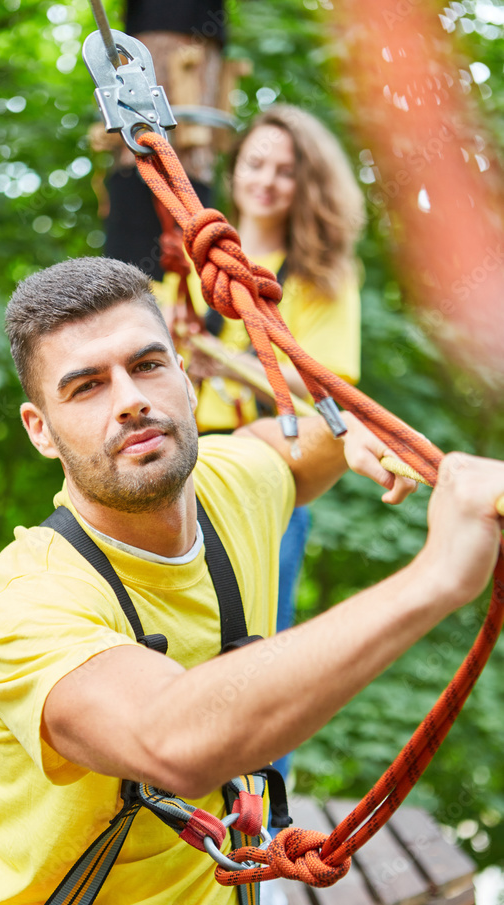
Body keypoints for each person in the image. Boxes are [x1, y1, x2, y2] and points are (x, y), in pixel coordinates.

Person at [0, 256, 503, 905]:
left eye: (147, 366)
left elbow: (283, 444)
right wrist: (435, 579)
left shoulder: (229, 486)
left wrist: (350, 435)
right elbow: (170, 742)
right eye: (86, 387)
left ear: (184, 374)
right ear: (40, 430)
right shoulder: (31, 597)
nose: (129, 402)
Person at [157, 105, 365, 777]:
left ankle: (267, 832)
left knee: (262, 655)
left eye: (285, 171)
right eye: (256, 164)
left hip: (272, 466)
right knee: (181, 644)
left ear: (305, 187)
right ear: (236, 168)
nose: (267, 181)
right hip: (186, 461)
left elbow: (328, 397)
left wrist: (234, 364)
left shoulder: (317, 276)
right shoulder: (196, 256)